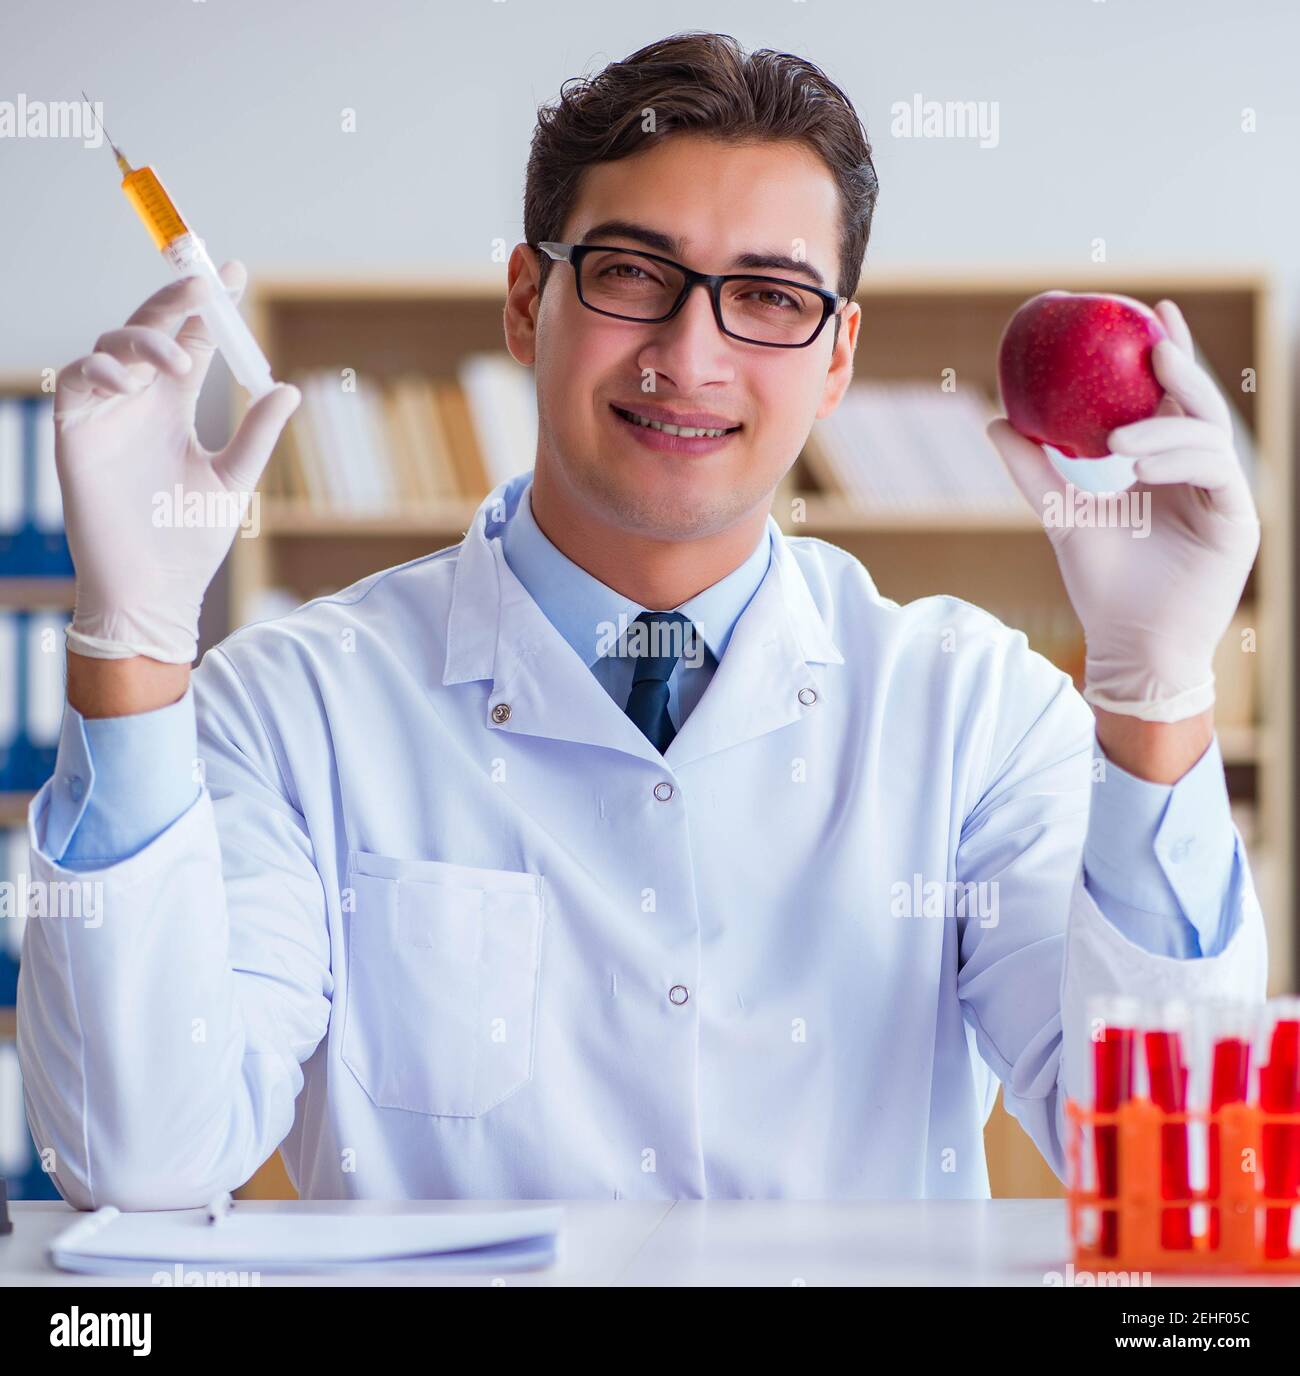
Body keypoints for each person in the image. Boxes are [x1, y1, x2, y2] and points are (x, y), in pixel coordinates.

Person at [19, 32, 1263, 1208]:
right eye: (629, 273)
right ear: (525, 301)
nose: (690, 350)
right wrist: (128, 639)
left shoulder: (972, 711)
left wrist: (1157, 693)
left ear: (835, 358)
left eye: (771, 298)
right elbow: (144, 1164)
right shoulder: (293, 706)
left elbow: (1171, 1169)